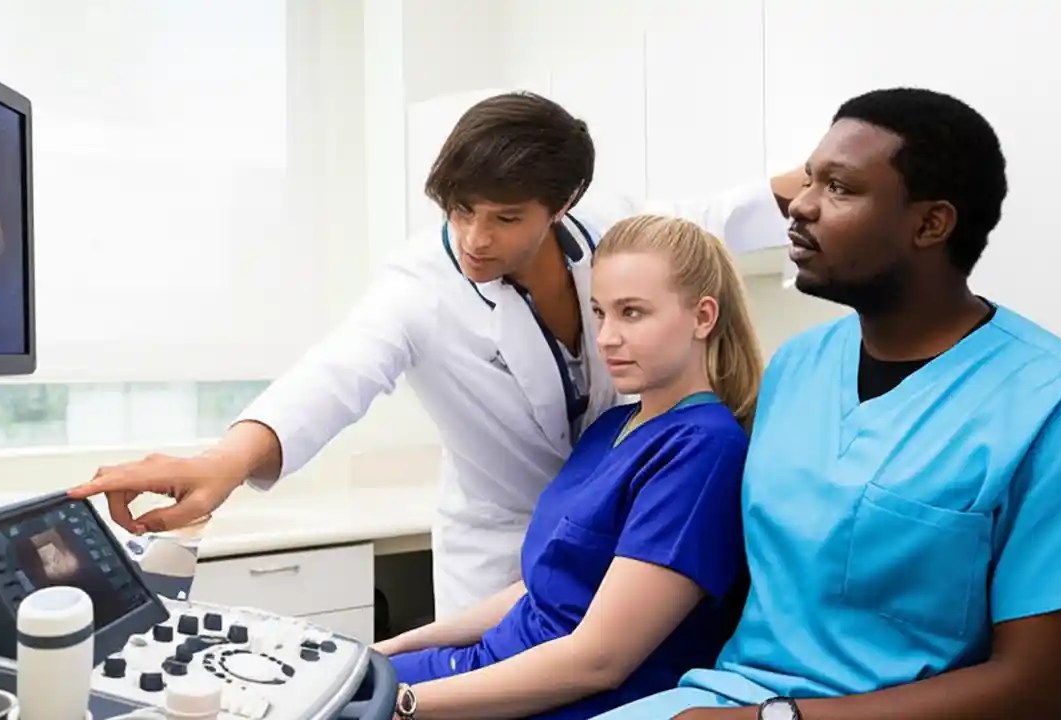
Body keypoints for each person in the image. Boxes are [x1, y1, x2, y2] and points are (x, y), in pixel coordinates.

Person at [68, 91, 803, 618]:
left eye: (505, 218)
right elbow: (336, 374)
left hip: (623, 522)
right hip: (503, 547)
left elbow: (709, 221)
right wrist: (217, 465)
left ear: (564, 204)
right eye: (458, 211)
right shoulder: (419, 286)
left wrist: (829, 179)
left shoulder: (613, 228)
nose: (475, 238)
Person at [595, 87, 1061, 720]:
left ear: (930, 224)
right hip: (723, 698)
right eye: (809, 180)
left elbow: (1043, 689)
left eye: (838, 188)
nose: (800, 206)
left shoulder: (1060, 404)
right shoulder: (798, 367)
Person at [379, 214, 761, 720]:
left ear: (703, 317)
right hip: (491, 663)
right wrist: (400, 646)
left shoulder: (702, 451)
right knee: (323, 679)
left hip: (563, 700)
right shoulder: (612, 427)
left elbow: (598, 663)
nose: (606, 337)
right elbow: (545, 587)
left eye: (632, 313)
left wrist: (404, 704)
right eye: (601, 313)